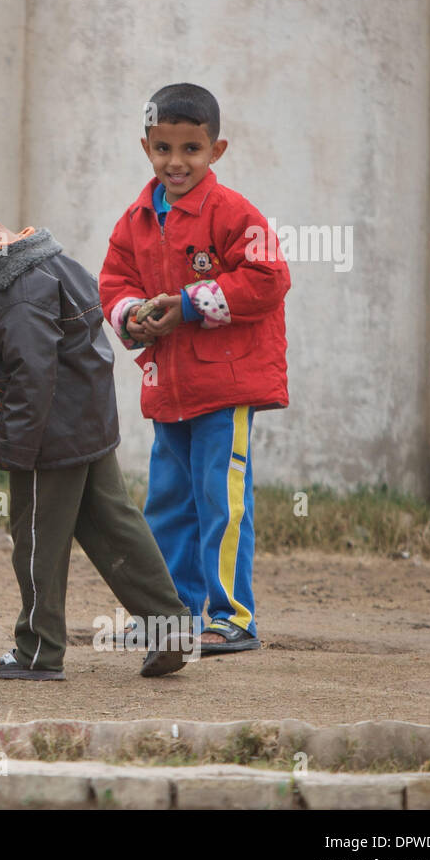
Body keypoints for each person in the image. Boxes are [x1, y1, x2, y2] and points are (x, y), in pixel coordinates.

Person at [0, 164, 193, 680]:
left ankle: (38, 651)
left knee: (36, 539)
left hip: (46, 439)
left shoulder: (15, 285)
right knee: (115, 527)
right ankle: (170, 630)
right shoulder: (48, 261)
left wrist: (17, 447)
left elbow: (32, 372)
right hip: (86, 427)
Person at [99, 82, 290, 655]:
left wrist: (183, 305)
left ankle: (232, 616)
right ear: (146, 147)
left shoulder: (234, 213)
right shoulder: (135, 219)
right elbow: (113, 283)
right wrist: (133, 315)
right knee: (168, 502)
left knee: (221, 501)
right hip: (168, 390)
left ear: (217, 151)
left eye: (191, 150)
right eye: (163, 149)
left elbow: (268, 279)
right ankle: (169, 614)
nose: (175, 162)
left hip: (223, 388)